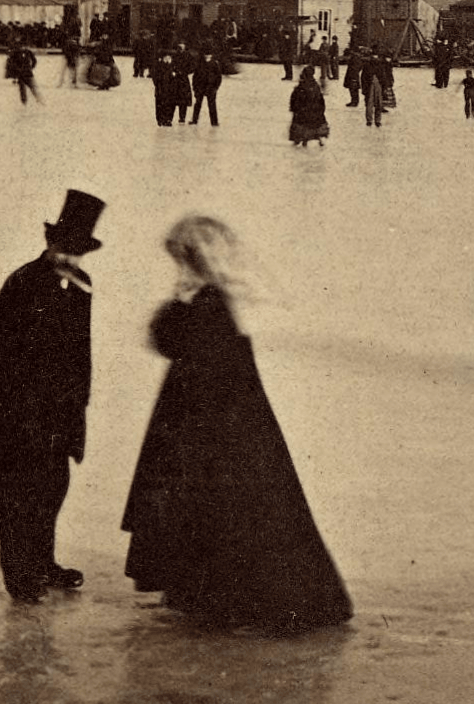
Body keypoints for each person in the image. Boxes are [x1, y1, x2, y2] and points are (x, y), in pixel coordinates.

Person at [122, 216, 353, 633]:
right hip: (222, 426)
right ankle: (213, 598)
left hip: (217, 430)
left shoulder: (209, 303)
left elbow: (178, 349)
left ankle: (243, 605)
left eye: (181, 260)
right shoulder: (212, 300)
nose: (177, 268)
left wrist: (177, 304)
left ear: (194, 259)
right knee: (226, 514)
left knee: (229, 516)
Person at [0, 190, 105, 603]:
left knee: (53, 487)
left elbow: (81, 351)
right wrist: (29, 403)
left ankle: (43, 562)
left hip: (63, 412)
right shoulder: (22, 282)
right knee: (18, 494)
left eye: (78, 252)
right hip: (22, 414)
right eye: (66, 248)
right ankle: (20, 576)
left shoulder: (82, 285)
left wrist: (77, 407)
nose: (71, 258)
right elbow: (2, 349)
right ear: (52, 242)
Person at [288, 65, 329, 148]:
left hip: (303, 112)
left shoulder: (301, 87)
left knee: (302, 125)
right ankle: (318, 138)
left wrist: (293, 108)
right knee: (315, 125)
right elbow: (320, 99)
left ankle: (301, 139)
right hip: (315, 111)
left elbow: (295, 99)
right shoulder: (315, 86)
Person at [190, 50, 223, 126]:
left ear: (211, 56)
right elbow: (195, 77)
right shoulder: (200, 64)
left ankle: (214, 122)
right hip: (200, 87)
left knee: (212, 105)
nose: (207, 57)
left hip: (211, 88)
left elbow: (219, 77)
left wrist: (215, 87)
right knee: (198, 104)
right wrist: (195, 87)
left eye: (209, 55)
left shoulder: (215, 64)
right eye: (206, 55)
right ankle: (194, 120)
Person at [151, 51, 178, 126]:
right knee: (160, 104)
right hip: (161, 88)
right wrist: (157, 83)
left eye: (169, 57)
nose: (167, 59)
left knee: (170, 105)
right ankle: (160, 119)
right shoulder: (159, 65)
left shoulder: (173, 66)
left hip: (171, 89)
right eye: (166, 57)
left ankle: (168, 119)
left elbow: (177, 77)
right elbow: (155, 76)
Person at [172, 41, 195, 123]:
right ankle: (170, 118)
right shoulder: (175, 55)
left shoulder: (188, 56)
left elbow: (192, 67)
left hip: (183, 79)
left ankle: (182, 117)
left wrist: (185, 72)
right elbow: (171, 65)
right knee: (173, 99)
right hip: (176, 79)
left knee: (183, 100)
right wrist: (175, 71)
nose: (180, 48)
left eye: (182, 47)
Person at [361, 47, 384, 127]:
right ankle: (371, 120)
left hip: (377, 85)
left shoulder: (380, 65)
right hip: (370, 85)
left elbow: (383, 77)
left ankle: (375, 120)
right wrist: (364, 89)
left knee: (378, 103)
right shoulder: (368, 65)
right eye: (374, 56)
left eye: (376, 56)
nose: (375, 57)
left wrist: (383, 87)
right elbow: (363, 78)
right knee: (370, 103)